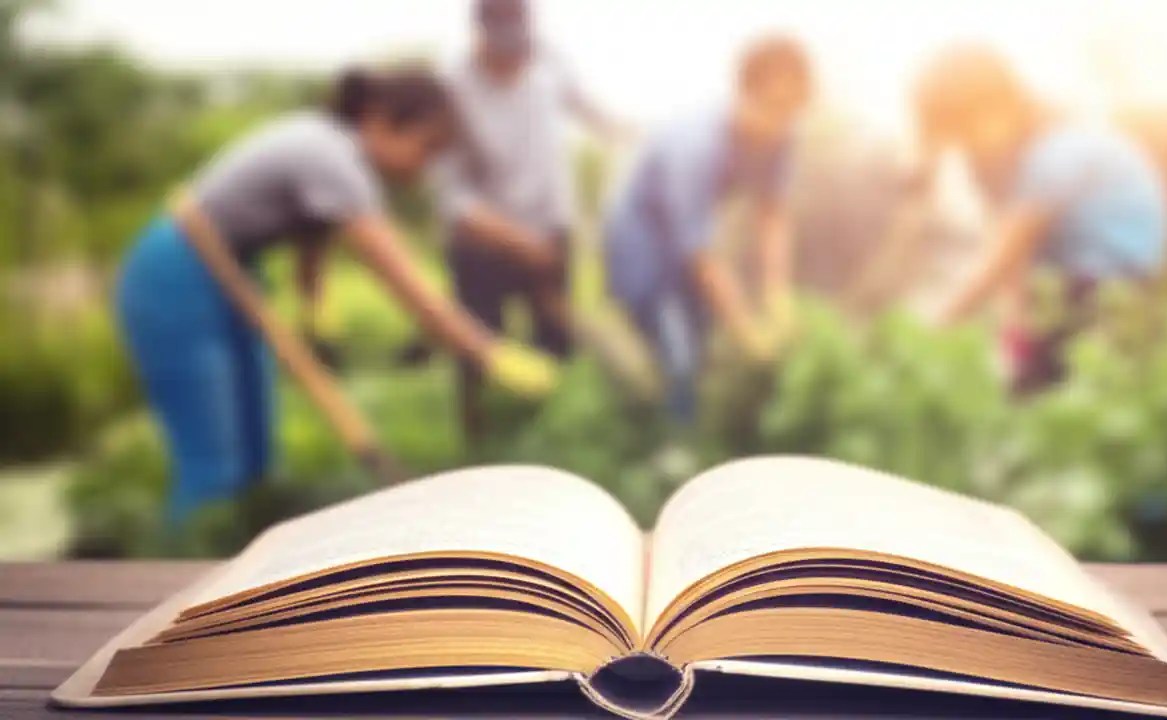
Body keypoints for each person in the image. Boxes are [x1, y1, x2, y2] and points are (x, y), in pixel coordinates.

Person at [115, 66, 558, 524]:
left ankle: (243, 574)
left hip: (232, 273)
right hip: (177, 272)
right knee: (215, 472)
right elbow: (409, 286)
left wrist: (316, 310)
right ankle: (184, 576)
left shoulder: (325, 147)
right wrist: (493, 355)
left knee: (254, 461)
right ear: (379, 120)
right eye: (424, 148)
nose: (421, 167)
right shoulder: (333, 160)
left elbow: (312, 242)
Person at [916, 46, 1167, 393]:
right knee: (1028, 375)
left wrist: (936, 324)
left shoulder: (1059, 149)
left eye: (967, 126)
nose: (965, 142)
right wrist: (1015, 334)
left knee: (1071, 375)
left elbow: (1004, 255)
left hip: (1112, 275)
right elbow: (1011, 264)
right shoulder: (994, 161)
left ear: (1002, 105)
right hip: (1061, 276)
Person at [433, 0, 626, 441]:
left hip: (552, 230)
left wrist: (627, 135)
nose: (517, 59)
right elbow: (451, 196)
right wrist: (518, 243)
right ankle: (480, 439)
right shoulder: (450, 87)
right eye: (506, 50)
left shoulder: (550, 61)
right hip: (482, 240)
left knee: (557, 337)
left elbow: (589, 110)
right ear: (479, 33)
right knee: (480, 343)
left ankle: (554, 431)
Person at [604, 36, 812, 423]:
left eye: (792, 108)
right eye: (773, 106)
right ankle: (670, 454)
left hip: (686, 240)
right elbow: (701, 256)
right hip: (642, 242)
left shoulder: (780, 136)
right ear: (744, 94)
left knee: (700, 341)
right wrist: (747, 327)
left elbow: (773, 215)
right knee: (676, 353)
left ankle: (687, 423)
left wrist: (776, 291)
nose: (783, 119)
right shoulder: (695, 145)